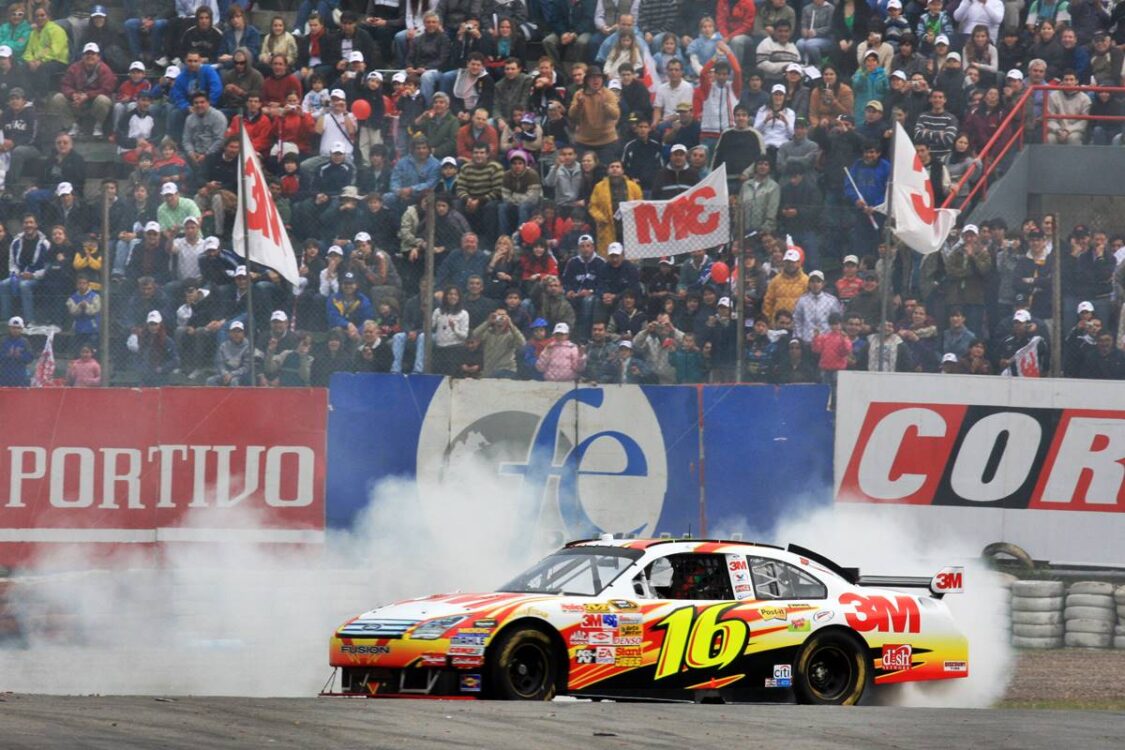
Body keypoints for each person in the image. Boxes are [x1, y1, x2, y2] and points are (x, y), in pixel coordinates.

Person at [587, 159, 641, 254]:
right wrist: (601, 218)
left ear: (622, 170)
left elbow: (640, 204)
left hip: (629, 228)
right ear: (608, 170)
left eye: (617, 167)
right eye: (612, 167)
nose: (614, 169)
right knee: (609, 255)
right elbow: (592, 206)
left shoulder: (633, 187)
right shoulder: (599, 187)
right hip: (607, 226)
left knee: (630, 255)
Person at [207, 318, 252, 386]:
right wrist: (225, 374)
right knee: (210, 381)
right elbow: (220, 363)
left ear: (243, 333)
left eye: (239, 331)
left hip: (241, 376)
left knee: (234, 381)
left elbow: (246, 368)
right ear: (229, 333)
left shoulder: (248, 346)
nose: (236, 334)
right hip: (225, 374)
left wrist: (232, 374)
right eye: (234, 331)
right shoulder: (223, 346)